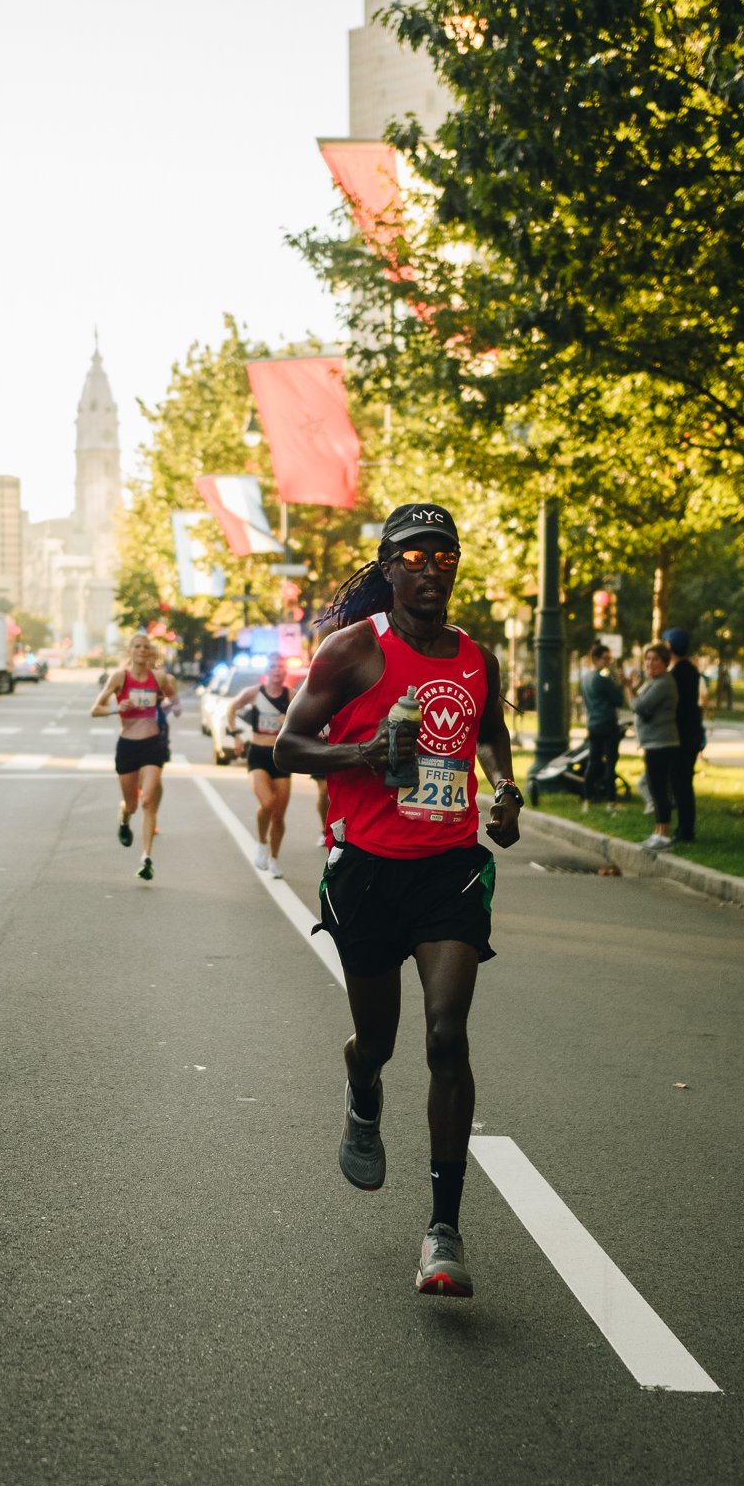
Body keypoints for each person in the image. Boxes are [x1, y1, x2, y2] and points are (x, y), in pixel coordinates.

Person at [275, 502, 523, 1299]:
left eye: (443, 556)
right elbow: (287, 746)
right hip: (368, 870)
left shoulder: (473, 656)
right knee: (377, 1042)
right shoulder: (352, 650)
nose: (429, 569)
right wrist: (364, 750)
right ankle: (362, 1086)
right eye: (413, 557)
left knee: (447, 1037)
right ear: (387, 569)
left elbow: (487, 731)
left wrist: (508, 789)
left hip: (448, 866)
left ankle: (443, 1230)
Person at [91, 633, 178, 883]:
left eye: (146, 647)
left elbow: (173, 697)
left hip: (152, 744)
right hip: (128, 745)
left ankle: (146, 859)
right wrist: (118, 708)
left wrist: (169, 707)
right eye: (137, 647)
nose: (142, 650)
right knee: (131, 805)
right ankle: (124, 819)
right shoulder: (120, 677)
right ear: (130, 651)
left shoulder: (158, 677)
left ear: (150, 652)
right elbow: (95, 709)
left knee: (148, 800)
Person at [226, 657, 293, 878]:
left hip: (280, 756)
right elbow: (232, 708)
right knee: (268, 803)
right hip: (257, 754)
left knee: (279, 815)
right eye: (273, 667)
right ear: (267, 671)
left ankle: (274, 858)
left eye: (281, 667)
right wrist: (235, 736)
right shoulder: (254, 692)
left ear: (284, 672)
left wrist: (289, 723)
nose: (277, 670)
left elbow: (305, 719)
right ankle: (262, 843)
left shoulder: (291, 695)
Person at [626, 640, 679, 851]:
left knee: (658, 789)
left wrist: (629, 689)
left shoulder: (664, 683)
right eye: (647, 659)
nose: (650, 663)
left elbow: (640, 706)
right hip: (653, 743)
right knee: (655, 788)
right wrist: (634, 687)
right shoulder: (654, 682)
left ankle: (664, 834)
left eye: (655, 659)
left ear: (665, 662)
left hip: (662, 744)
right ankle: (658, 831)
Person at [663, 627, 704, 844]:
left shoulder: (677, 673)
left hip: (682, 736)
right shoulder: (689, 669)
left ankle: (685, 830)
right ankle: (684, 827)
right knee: (682, 782)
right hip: (690, 734)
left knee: (681, 784)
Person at [579, 641, 625, 809]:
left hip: (593, 724)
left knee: (593, 762)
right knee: (611, 762)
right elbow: (619, 700)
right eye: (606, 658)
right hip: (608, 723)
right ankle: (611, 801)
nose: (608, 662)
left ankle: (587, 800)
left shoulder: (585, 679)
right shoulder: (603, 680)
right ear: (596, 659)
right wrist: (619, 682)